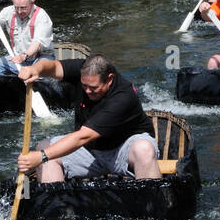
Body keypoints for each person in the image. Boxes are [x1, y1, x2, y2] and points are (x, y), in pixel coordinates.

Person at [16, 54, 160, 182]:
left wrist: (42, 156)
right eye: (84, 86)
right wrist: (35, 69)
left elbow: (83, 136)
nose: (87, 91)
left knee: (144, 149)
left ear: (109, 79)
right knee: (44, 147)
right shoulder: (83, 68)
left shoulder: (123, 97)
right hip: (91, 151)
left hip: (123, 150)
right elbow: (53, 67)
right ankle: (57, 206)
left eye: (93, 88)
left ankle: (151, 206)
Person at [0, 0, 53, 76]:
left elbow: (38, 43)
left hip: (41, 58)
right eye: (16, 7)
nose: (19, 11)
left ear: (32, 2)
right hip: (18, 59)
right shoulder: (9, 11)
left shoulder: (41, 16)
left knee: (40, 76)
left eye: (23, 8)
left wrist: (24, 56)